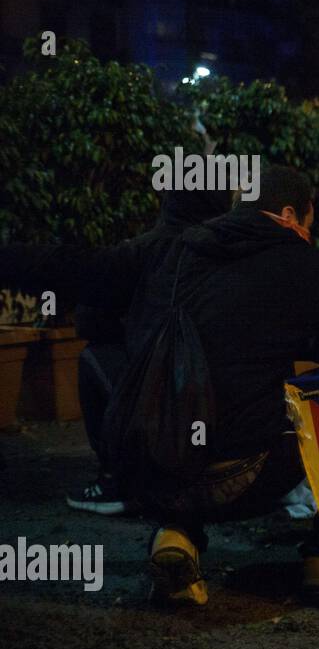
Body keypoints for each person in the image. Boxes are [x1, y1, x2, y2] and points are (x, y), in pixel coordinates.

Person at [0, 166, 319, 604]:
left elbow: (66, 265)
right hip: (248, 476)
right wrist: (311, 336)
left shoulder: (164, 252)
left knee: (167, 402)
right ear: (290, 215)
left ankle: (175, 534)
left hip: (148, 472)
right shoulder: (305, 264)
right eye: (309, 222)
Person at [66, 183, 230, 515]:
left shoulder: (145, 250)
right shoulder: (235, 251)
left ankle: (116, 481)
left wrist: (134, 324)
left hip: (170, 405)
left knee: (93, 357)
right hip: (235, 418)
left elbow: (89, 320)